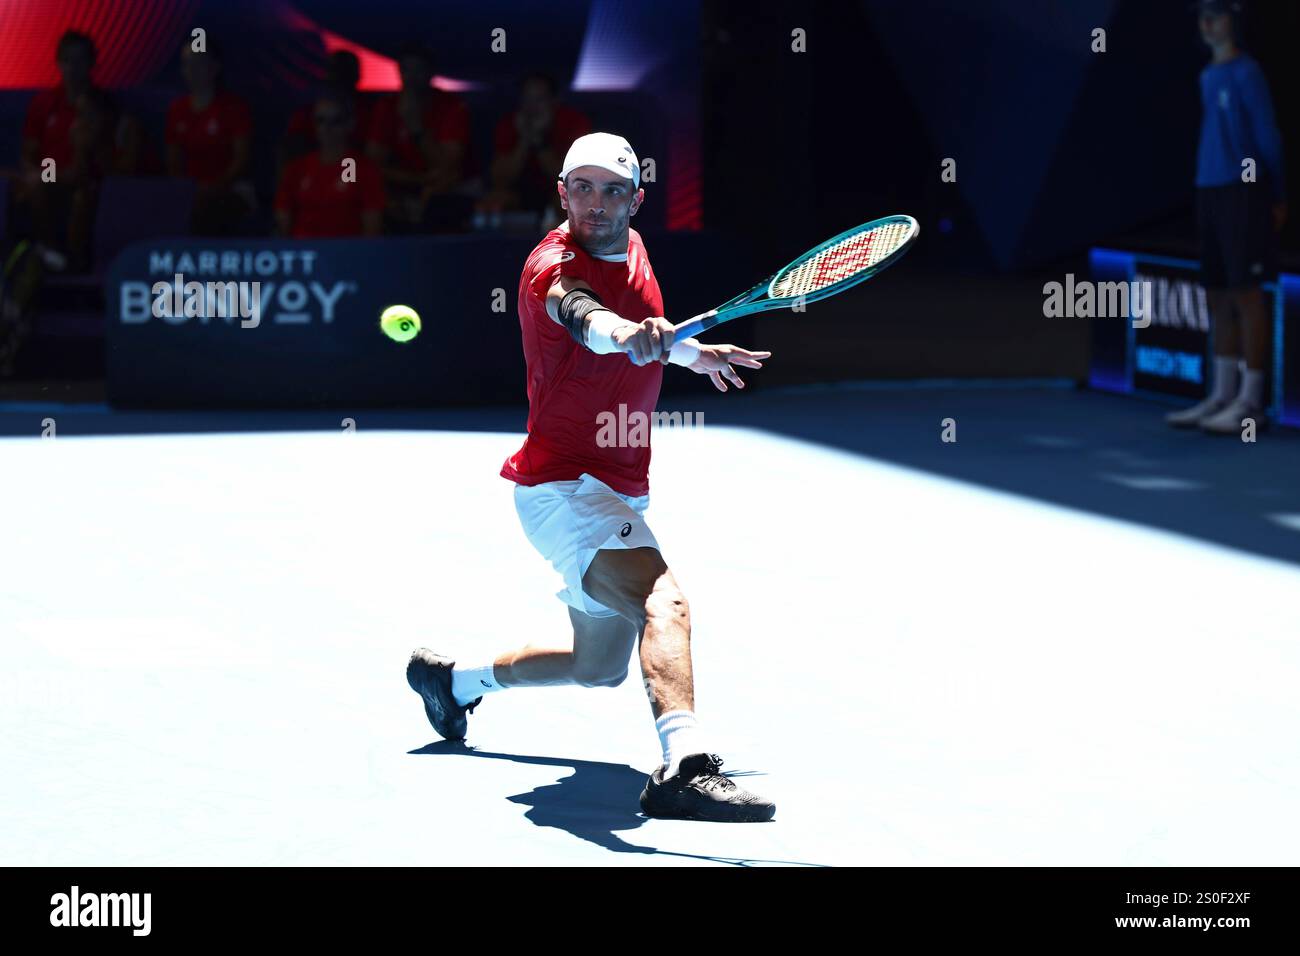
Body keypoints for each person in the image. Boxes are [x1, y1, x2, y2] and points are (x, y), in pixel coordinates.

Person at [406, 132, 777, 822]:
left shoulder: (632, 248)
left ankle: (451, 682)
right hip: (565, 487)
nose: (596, 205)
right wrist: (624, 333)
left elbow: (638, 335)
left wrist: (688, 354)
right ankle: (686, 765)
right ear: (561, 193)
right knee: (664, 605)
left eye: (612, 192)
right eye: (582, 188)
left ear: (636, 200)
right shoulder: (551, 267)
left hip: (614, 483)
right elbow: (587, 318)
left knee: (597, 667)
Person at [1167, 0, 1286, 434]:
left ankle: (1250, 403)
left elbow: (1267, 137)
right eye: (1202, 16)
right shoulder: (1207, 76)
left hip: (1244, 193)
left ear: (1234, 22)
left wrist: (1274, 193)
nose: (1207, 23)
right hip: (1210, 191)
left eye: (1216, 16)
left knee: (1246, 295)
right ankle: (1221, 394)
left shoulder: (1248, 74)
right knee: (1218, 295)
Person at [17, 30, 115, 272]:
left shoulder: (103, 104)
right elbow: (29, 153)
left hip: (86, 180)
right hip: (47, 177)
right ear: (59, 63)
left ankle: (73, 267)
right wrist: (34, 173)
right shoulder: (43, 103)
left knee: (81, 193)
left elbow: (97, 160)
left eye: (81, 60)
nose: (74, 67)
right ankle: (43, 257)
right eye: (68, 60)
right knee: (33, 185)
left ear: (92, 63)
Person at [365, 42, 471, 232]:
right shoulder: (386, 107)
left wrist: (416, 128)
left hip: (440, 188)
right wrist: (418, 180)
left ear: (431, 73)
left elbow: (447, 166)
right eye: (407, 70)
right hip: (402, 186)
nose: (412, 78)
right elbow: (373, 165)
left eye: (419, 70)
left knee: (441, 191)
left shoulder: (451, 106)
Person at [165, 39, 254, 235]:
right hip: (187, 191)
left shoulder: (234, 108)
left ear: (215, 67)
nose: (192, 69)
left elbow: (241, 159)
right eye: (187, 63)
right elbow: (173, 160)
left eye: (199, 62)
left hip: (231, 189)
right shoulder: (177, 110)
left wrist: (213, 187)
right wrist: (185, 189)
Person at [478, 73, 591, 222]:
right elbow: (500, 179)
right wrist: (524, 140)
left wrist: (539, 140)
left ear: (554, 100)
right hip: (518, 191)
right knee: (492, 202)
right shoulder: (509, 123)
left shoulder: (574, 122)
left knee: (571, 202)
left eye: (539, 99)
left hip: (558, 192)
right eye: (527, 99)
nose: (532, 107)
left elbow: (570, 180)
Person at [274, 93, 384, 238]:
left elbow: (372, 228)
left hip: (347, 255)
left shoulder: (361, 168)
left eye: (336, 121)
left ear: (350, 124)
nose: (327, 128)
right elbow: (282, 224)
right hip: (305, 255)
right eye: (321, 120)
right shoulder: (297, 169)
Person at [282, 50, 372, 162]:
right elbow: (293, 142)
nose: (341, 76)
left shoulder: (368, 109)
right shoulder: (310, 106)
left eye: (346, 71)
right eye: (320, 120)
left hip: (352, 166)